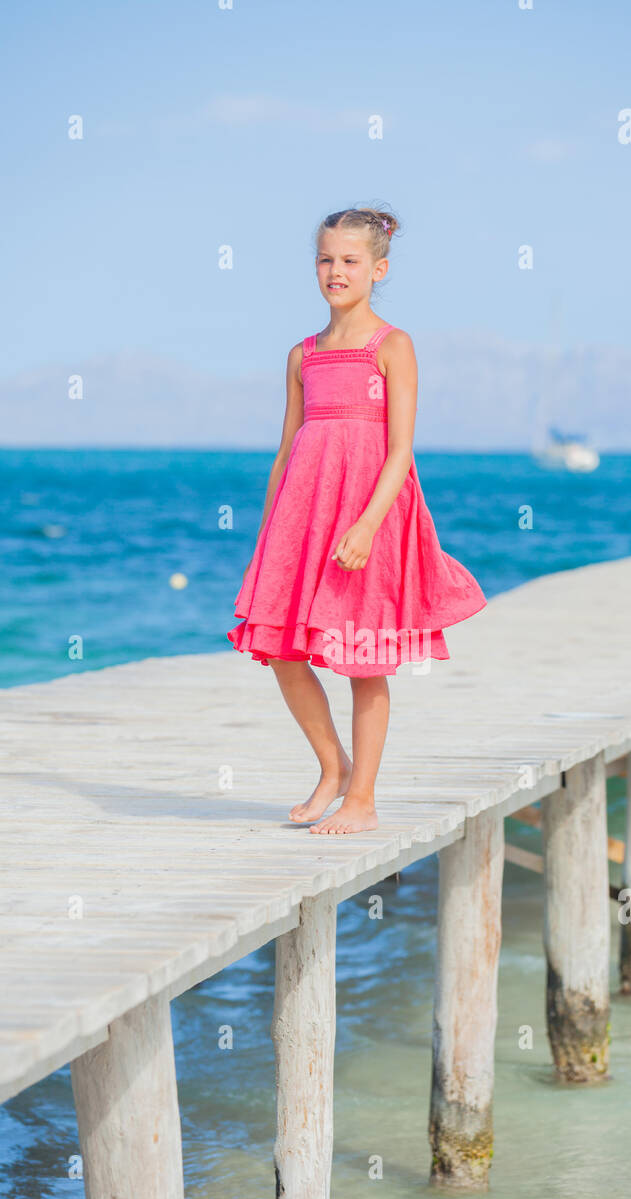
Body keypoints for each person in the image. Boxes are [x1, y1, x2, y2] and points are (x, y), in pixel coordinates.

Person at [228, 205, 486, 834]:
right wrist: (269, 536)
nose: (335, 271)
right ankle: (332, 768)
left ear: (379, 268)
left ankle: (363, 800)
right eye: (325, 259)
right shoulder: (302, 355)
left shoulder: (391, 346)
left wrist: (368, 525)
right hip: (302, 521)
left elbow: (400, 450)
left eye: (349, 261)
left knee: (363, 660)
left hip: (370, 521)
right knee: (283, 650)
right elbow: (287, 450)